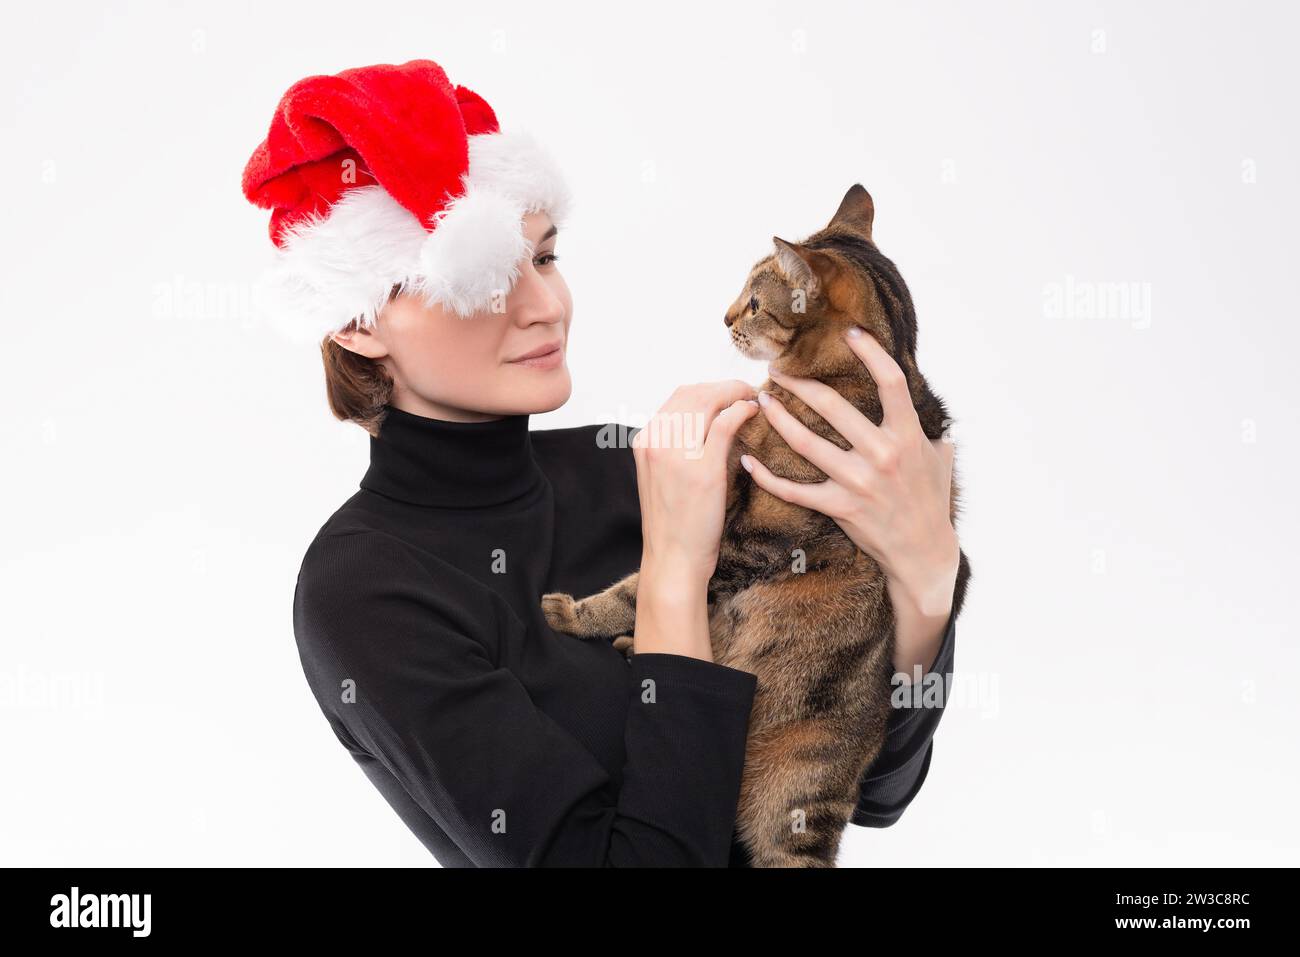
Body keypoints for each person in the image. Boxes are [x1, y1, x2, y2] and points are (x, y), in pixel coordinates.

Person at [243, 59, 961, 867]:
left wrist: (927, 579)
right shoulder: (365, 588)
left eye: (545, 259)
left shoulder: (633, 464)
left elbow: (871, 793)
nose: (547, 306)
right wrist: (674, 578)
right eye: (485, 280)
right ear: (358, 324)